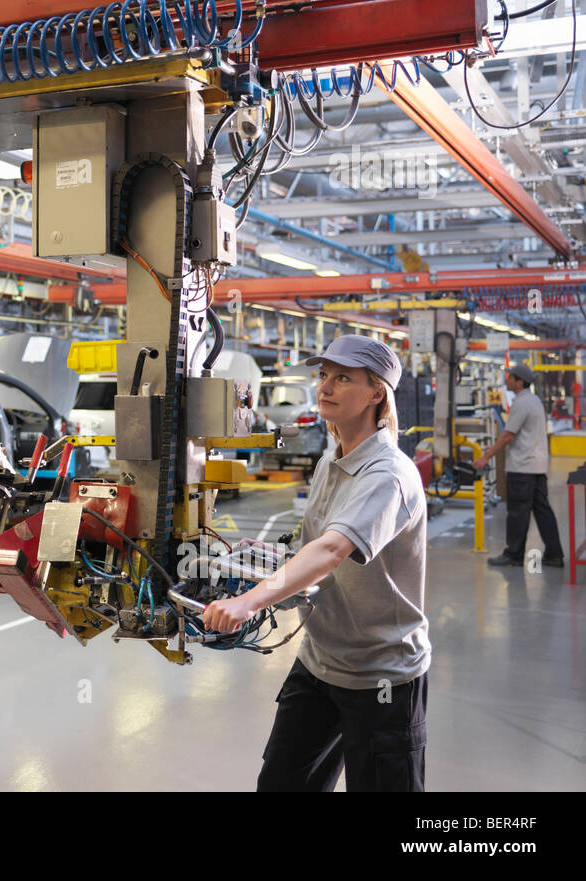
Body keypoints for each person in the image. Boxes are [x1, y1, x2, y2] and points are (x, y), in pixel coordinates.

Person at [203, 335, 429, 792]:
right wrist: (271, 558)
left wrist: (248, 602)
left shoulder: (388, 474)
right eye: (324, 374)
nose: (325, 385)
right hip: (320, 662)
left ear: (377, 391)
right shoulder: (332, 458)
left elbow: (331, 553)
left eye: (343, 377)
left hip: (379, 676)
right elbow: (314, 545)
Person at [474, 363, 564, 569]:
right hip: (537, 467)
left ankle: (513, 556)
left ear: (519, 381)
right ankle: (554, 554)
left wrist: (485, 457)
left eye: (510, 377)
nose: (506, 380)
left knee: (517, 512)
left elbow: (507, 434)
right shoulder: (533, 401)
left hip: (522, 468)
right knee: (543, 511)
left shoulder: (522, 403)